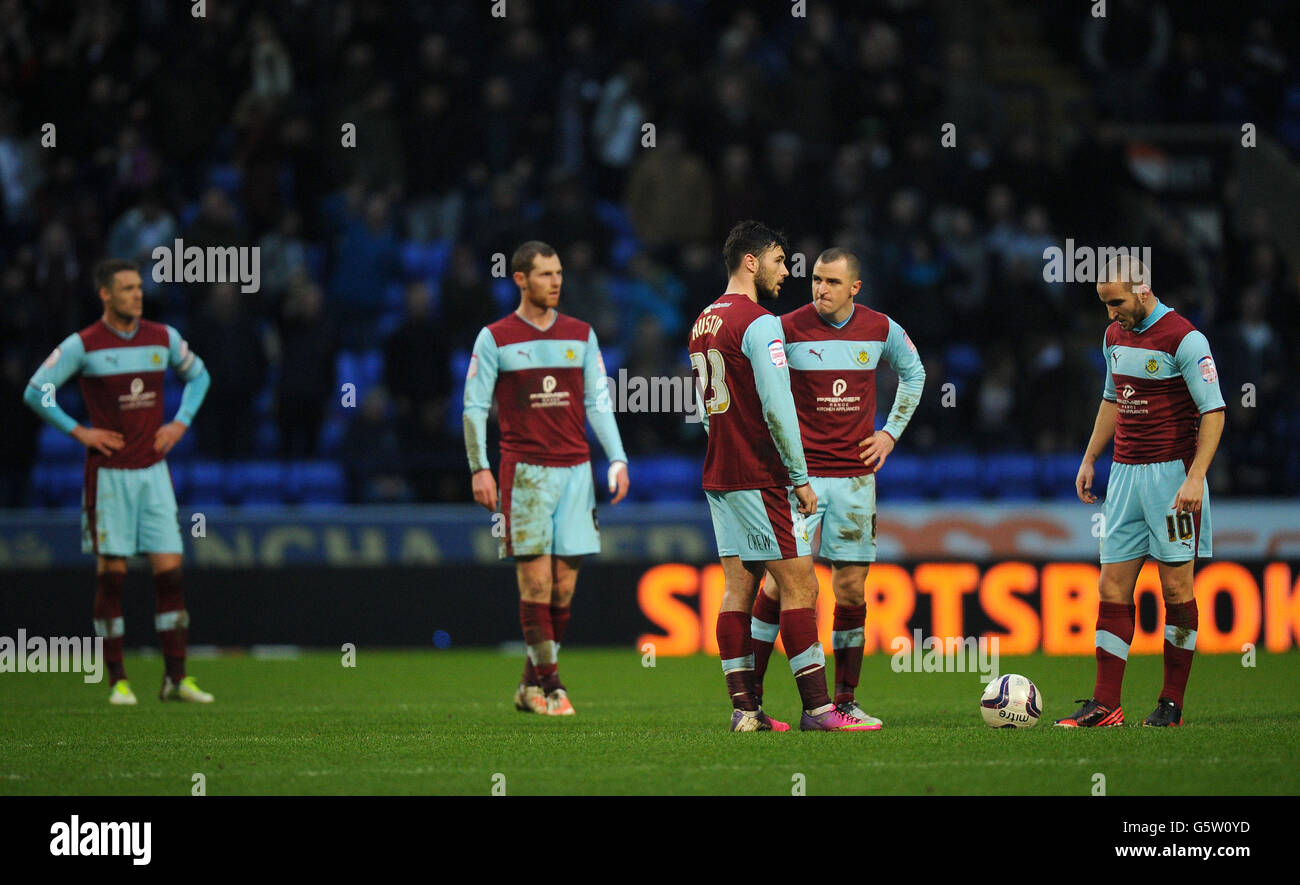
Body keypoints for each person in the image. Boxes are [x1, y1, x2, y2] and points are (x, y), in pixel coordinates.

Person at [689, 221, 874, 732]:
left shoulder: (703, 321)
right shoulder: (760, 322)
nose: (786, 271)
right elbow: (777, 406)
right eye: (778, 260)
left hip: (718, 471)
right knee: (801, 587)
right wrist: (798, 476)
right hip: (759, 473)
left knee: (737, 590)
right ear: (751, 261)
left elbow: (706, 410)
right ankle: (819, 709)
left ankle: (745, 712)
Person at [22, 259, 213, 705]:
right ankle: (118, 680)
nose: (137, 294)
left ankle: (176, 680)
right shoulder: (83, 344)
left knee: (170, 573)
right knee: (114, 577)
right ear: (105, 294)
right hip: (109, 477)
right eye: (127, 288)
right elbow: (36, 390)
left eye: (139, 288)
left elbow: (200, 375)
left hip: (153, 471)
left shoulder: (162, 337)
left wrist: (180, 423)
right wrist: (80, 431)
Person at [750, 248, 926, 728]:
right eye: (815, 280)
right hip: (799, 480)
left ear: (855, 288)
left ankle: (844, 701)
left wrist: (889, 432)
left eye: (831, 282)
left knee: (850, 589)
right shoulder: (785, 329)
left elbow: (915, 372)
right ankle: (751, 702)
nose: (820, 289)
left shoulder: (881, 328)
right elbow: (752, 379)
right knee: (779, 583)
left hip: (854, 479)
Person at [462, 240, 629, 716]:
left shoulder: (580, 334)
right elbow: (474, 408)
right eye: (544, 274)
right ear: (520, 279)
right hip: (525, 474)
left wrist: (616, 458)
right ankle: (553, 687)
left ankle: (527, 686)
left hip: (577, 471)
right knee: (535, 585)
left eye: (558, 273)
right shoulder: (495, 337)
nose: (556, 281)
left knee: (562, 589)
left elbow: (598, 400)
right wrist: (480, 467)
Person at [1058, 255, 1225, 727]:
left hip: (1172, 477)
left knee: (1175, 587)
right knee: (1111, 584)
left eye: (1117, 303)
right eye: (1105, 305)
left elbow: (1213, 411)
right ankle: (1106, 704)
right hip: (1125, 475)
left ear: (1144, 291)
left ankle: (1171, 702)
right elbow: (1113, 398)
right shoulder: (1114, 336)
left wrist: (1196, 478)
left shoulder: (1185, 340)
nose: (1111, 314)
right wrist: (1091, 458)